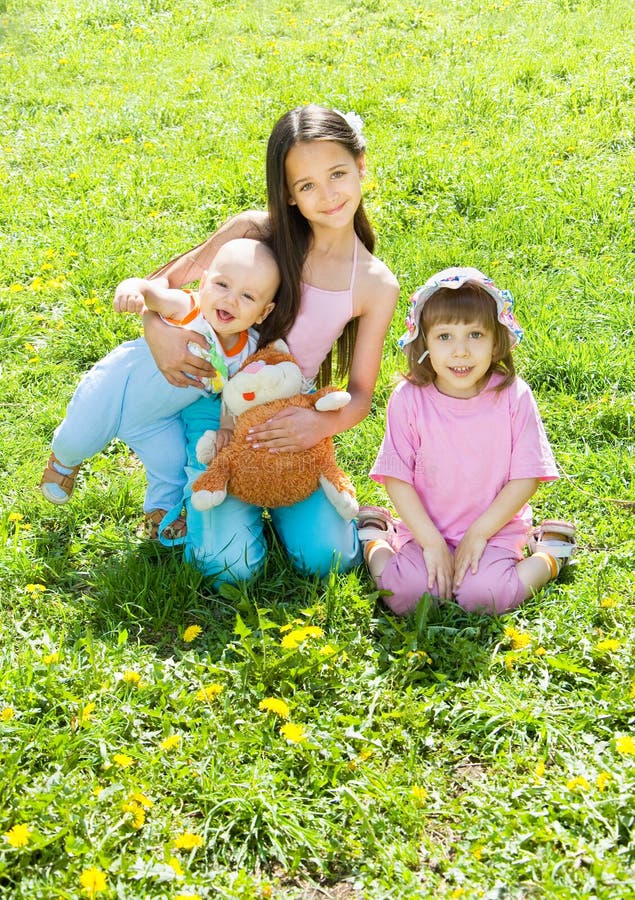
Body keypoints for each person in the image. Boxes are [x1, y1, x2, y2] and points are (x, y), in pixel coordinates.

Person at [122, 105, 399, 583]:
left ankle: (331, 516)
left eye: (337, 174)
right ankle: (196, 500)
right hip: (213, 414)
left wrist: (315, 424)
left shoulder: (375, 284)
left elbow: (360, 395)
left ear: (361, 164)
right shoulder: (256, 231)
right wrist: (155, 330)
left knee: (328, 562)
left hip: (288, 422)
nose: (327, 195)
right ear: (289, 195)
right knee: (228, 569)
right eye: (306, 185)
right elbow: (160, 283)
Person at [358, 267, 576, 616]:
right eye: (444, 336)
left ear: (496, 340)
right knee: (405, 596)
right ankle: (375, 538)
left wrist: (479, 534)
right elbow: (397, 477)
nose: (460, 352)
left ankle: (552, 551)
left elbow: (526, 477)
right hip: (425, 526)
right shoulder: (408, 398)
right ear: (424, 341)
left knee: (483, 597)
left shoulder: (514, 397)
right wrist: (430, 541)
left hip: (494, 528)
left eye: (475, 335)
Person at [39, 238, 282, 538]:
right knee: (79, 436)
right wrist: (135, 289)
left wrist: (227, 427)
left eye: (247, 296)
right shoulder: (190, 309)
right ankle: (63, 461)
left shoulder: (248, 352)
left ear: (263, 312)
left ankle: (160, 514)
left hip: (158, 419)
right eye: (222, 285)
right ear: (204, 281)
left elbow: (235, 394)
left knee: (172, 463)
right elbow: (154, 293)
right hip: (118, 387)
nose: (230, 300)